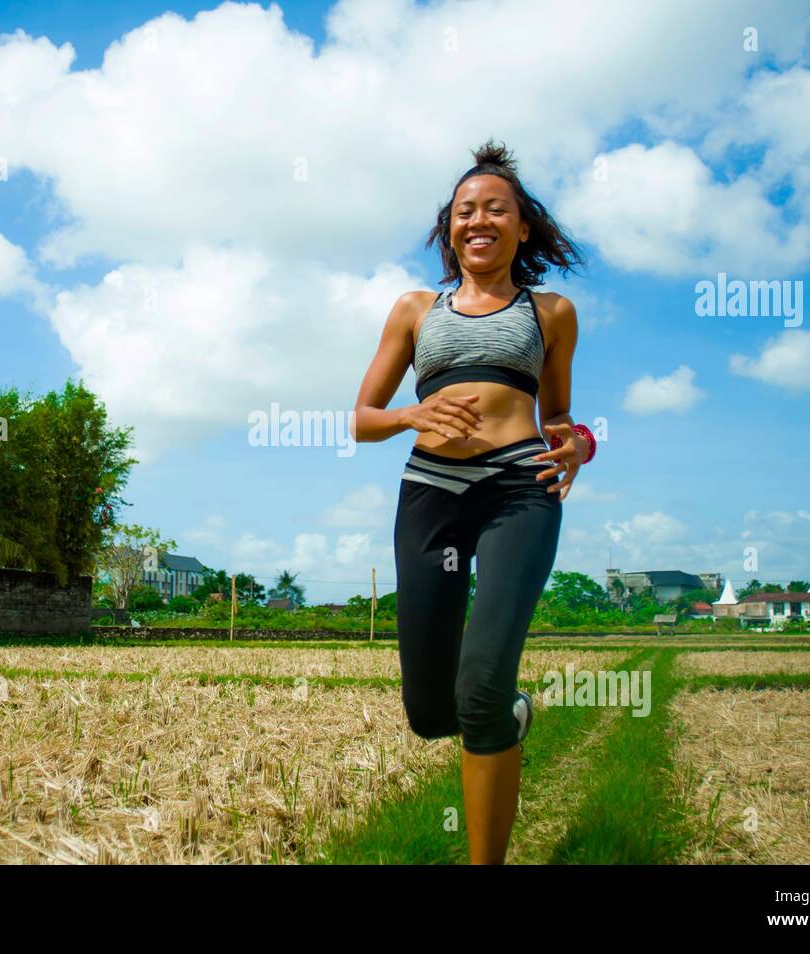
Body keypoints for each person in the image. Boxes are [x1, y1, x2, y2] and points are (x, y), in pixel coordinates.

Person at [352, 138, 596, 864]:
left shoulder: (550, 312)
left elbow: (560, 418)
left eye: (496, 209)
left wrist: (580, 443)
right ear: (448, 227)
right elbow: (362, 420)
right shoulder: (413, 309)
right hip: (431, 492)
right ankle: (505, 713)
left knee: (482, 691)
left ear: (523, 228)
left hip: (521, 488)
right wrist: (410, 416)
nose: (478, 220)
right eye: (465, 210)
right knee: (432, 712)